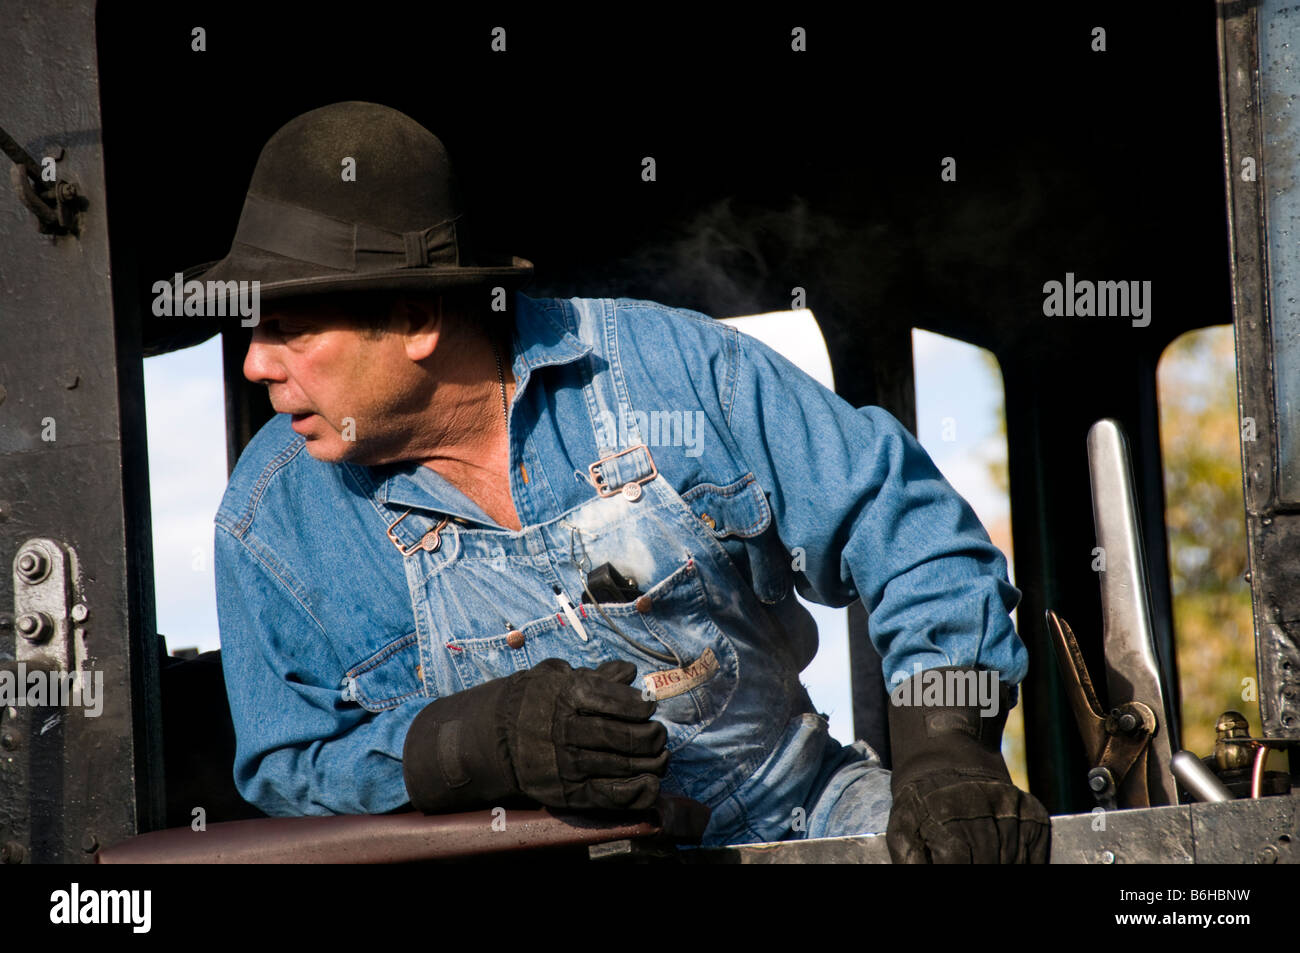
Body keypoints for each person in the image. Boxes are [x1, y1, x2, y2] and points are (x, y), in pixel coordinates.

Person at [201, 101, 1049, 861]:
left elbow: (906, 531)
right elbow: (289, 763)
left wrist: (948, 749)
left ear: (416, 318)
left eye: (288, 330)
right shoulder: (270, 521)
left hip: (799, 821)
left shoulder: (674, 369)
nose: (255, 364)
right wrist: (475, 744)